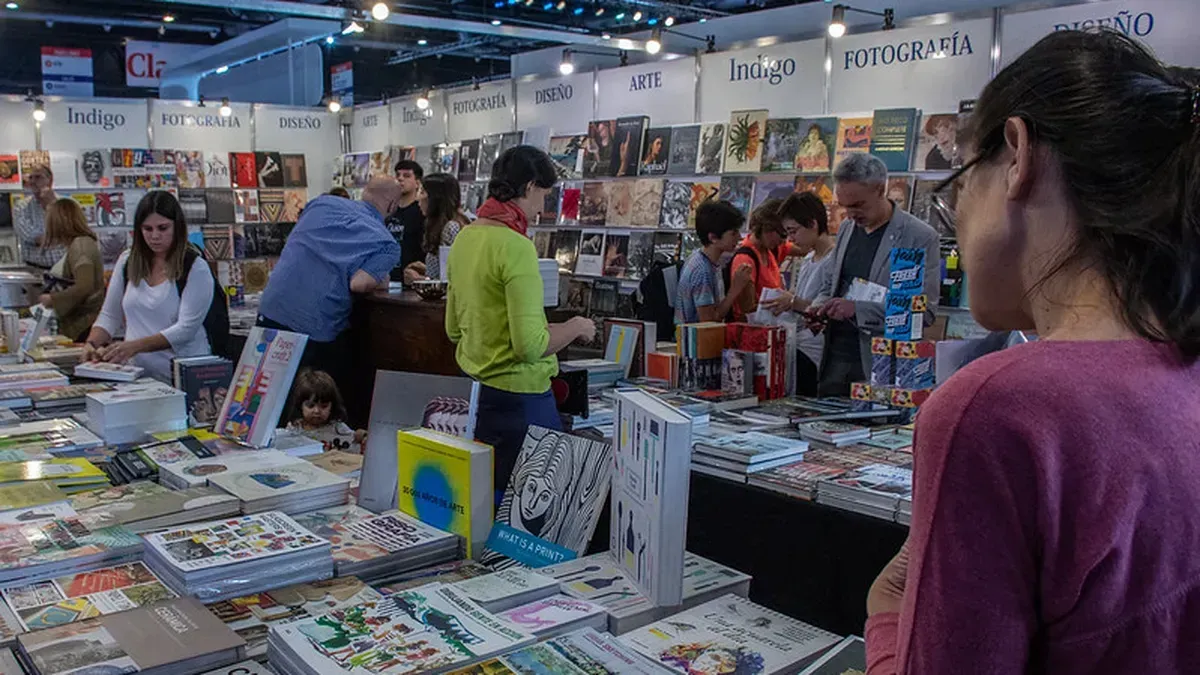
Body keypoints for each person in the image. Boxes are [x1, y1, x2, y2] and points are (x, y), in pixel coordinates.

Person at [865, 29, 1200, 673]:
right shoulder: (1178, 369)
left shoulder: (1000, 409)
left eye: (960, 180)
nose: (956, 211)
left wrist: (885, 616)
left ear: (1016, 155)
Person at [445, 145, 596, 501]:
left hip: (477, 396)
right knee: (531, 517)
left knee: (484, 506)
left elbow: (453, 329)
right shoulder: (516, 246)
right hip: (524, 402)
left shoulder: (465, 238)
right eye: (544, 194)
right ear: (529, 187)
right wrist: (575, 327)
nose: (543, 206)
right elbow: (529, 345)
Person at [811, 154, 939, 396]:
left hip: (883, 367)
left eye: (858, 205)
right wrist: (819, 308)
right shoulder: (848, 229)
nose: (849, 214)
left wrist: (858, 310)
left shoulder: (917, 237)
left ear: (881, 189)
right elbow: (831, 284)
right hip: (834, 361)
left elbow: (924, 313)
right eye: (844, 205)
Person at [257, 177, 403, 390]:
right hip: (315, 325)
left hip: (272, 310)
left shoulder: (320, 204)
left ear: (364, 193)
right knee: (310, 400)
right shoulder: (386, 244)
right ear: (392, 205)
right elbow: (359, 284)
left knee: (263, 394)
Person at [84, 191, 214, 382]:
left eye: (163, 228)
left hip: (183, 375)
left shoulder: (195, 267)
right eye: (148, 229)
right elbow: (110, 315)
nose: (155, 236)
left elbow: (186, 329)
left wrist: (134, 346)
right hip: (138, 375)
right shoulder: (127, 261)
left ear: (177, 227)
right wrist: (92, 343)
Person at [762, 193, 835, 396]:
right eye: (787, 233)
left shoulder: (833, 260)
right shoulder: (809, 257)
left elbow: (826, 305)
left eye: (793, 231)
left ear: (812, 223)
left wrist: (793, 302)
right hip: (798, 343)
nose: (791, 239)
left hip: (815, 350)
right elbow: (800, 292)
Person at [675, 200, 752, 324]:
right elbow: (708, 322)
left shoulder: (700, 259)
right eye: (733, 233)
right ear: (713, 238)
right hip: (695, 341)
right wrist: (735, 289)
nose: (739, 237)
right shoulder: (702, 270)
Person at [37, 199, 104, 342]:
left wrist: (52, 299)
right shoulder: (80, 244)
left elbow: (84, 285)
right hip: (82, 323)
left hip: (84, 326)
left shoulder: (80, 246)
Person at [728, 198, 792, 321]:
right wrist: (785, 304)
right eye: (783, 234)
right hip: (752, 331)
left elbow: (804, 246)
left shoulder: (771, 250)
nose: (784, 241)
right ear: (767, 228)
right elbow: (747, 309)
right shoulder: (745, 259)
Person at [403, 173, 471, 284]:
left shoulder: (451, 227)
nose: (418, 198)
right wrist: (427, 270)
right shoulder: (439, 225)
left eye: (422, 192)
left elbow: (453, 279)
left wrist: (420, 280)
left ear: (435, 197)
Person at [285, 369, 366, 453]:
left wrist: (362, 436)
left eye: (324, 406)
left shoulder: (338, 428)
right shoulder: (293, 429)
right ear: (300, 405)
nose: (316, 411)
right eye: (310, 406)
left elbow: (356, 442)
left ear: (332, 406)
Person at [13, 164, 66, 270]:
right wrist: (60, 239)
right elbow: (29, 236)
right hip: (35, 269)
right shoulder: (21, 207)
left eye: (38, 177)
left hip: (64, 268)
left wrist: (50, 205)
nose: (32, 181)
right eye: (30, 178)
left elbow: (73, 231)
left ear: (50, 180)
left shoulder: (67, 204)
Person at [385, 159, 425, 273]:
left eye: (406, 176)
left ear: (417, 183)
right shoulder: (388, 211)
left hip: (411, 275)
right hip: (387, 274)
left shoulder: (421, 212)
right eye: (398, 175)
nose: (400, 178)